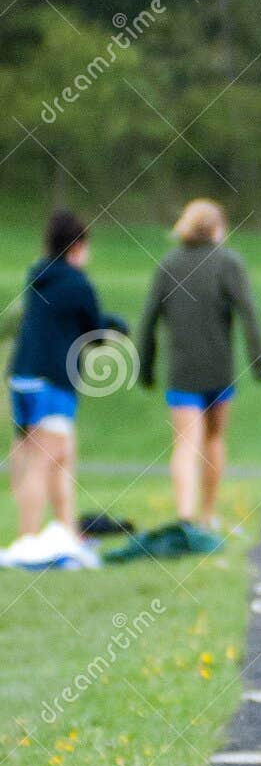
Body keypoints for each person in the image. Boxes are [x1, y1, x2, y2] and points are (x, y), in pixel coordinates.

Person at [136, 199, 261, 531]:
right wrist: (258, 363)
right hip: (219, 372)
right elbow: (249, 315)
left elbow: (148, 319)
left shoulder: (168, 264)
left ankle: (185, 516)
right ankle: (207, 513)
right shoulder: (229, 263)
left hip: (181, 373)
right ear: (218, 229)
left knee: (185, 442)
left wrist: (145, 367)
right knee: (214, 439)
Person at [5, 209, 126, 562]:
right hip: (52, 381)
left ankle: (67, 532)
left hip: (22, 376)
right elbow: (95, 334)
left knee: (57, 454)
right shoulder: (77, 283)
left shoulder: (38, 278)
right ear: (77, 246)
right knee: (43, 460)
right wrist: (116, 325)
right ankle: (27, 542)